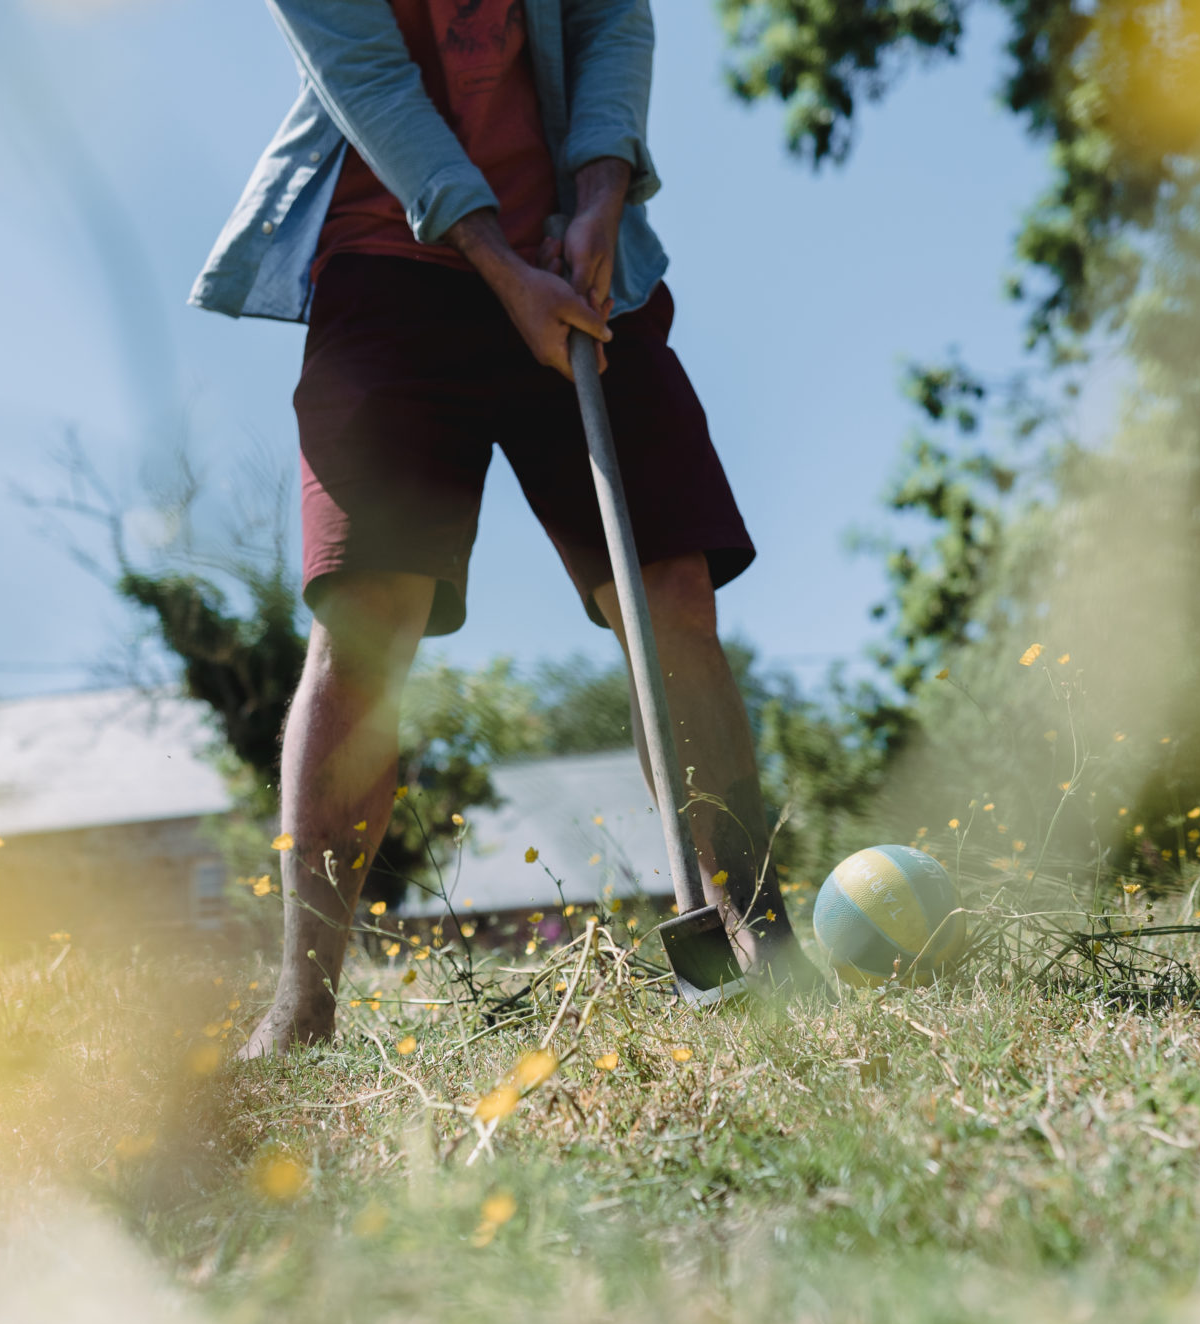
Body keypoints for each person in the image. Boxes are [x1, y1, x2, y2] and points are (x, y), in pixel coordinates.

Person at [193, 0, 813, 1056]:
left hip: (576, 262)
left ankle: (762, 944)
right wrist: (499, 264)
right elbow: (372, 84)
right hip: (390, 265)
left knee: (671, 595)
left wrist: (601, 196)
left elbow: (611, 18)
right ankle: (303, 1004)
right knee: (366, 617)